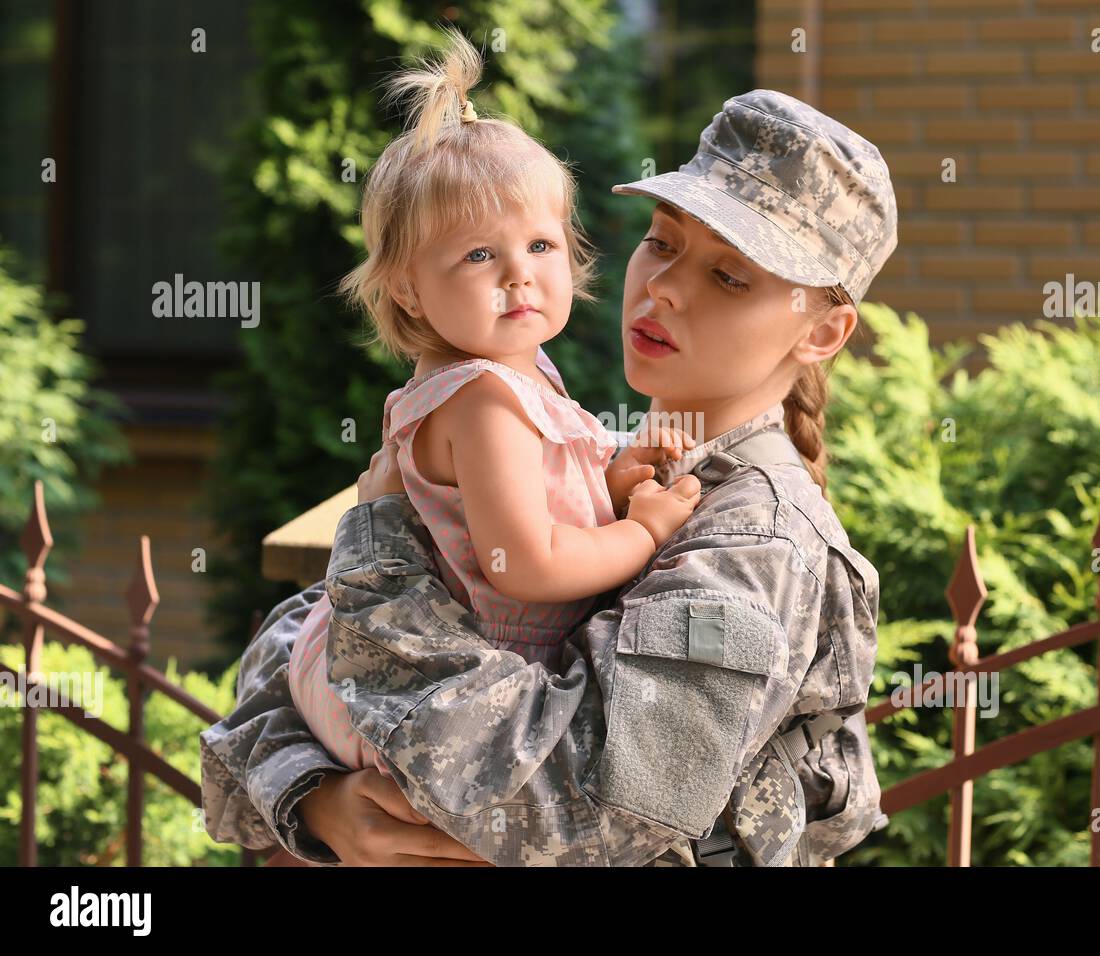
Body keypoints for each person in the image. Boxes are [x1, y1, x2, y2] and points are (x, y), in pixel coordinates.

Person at [200, 85, 899, 867]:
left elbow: (579, 806)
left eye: (730, 277)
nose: (663, 286)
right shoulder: (611, 460)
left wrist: (381, 556)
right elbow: (293, 647)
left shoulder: (754, 543)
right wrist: (317, 800)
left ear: (824, 331)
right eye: (663, 243)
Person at [286, 29, 702, 776]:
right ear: (408, 286)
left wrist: (606, 485)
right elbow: (527, 565)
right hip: (406, 700)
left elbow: (518, 513)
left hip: (383, 672)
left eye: (540, 246)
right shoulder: (483, 400)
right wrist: (642, 534)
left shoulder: (511, 371)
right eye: (479, 255)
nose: (519, 275)